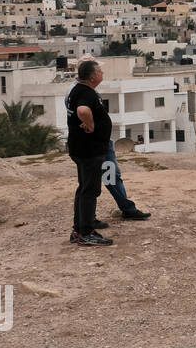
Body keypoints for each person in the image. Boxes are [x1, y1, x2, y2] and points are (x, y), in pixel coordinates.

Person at [64, 58, 113, 246]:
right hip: (89, 150)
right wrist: (92, 125)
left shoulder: (79, 90)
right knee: (90, 190)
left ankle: (78, 230)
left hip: (82, 148)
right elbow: (83, 110)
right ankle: (86, 232)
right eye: (100, 71)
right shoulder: (85, 93)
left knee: (84, 188)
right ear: (93, 76)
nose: (102, 74)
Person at [102, 145, 151, 221]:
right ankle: (128, 210)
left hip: (101, 141)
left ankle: (84, 218)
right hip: (99, 142)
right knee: (110, 176)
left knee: (109, 176)